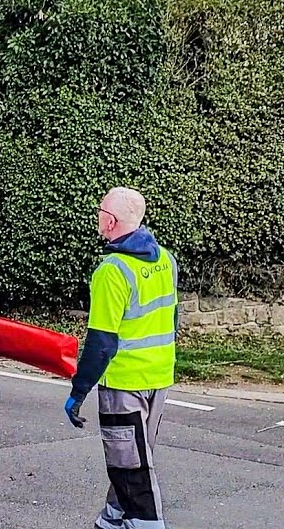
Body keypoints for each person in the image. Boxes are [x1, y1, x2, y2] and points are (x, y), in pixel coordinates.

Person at [63, 187, 178, 529]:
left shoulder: (112, 271)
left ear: (110, 221)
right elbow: (173, 319)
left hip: (124, 383)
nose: (98, 216)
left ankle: (147, 523)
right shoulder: (165, 259)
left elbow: (101, 342)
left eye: (100, 210)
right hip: (159, 377)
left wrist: (78, 392)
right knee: (134, 456)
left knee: (129, 465)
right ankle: (113, 517)